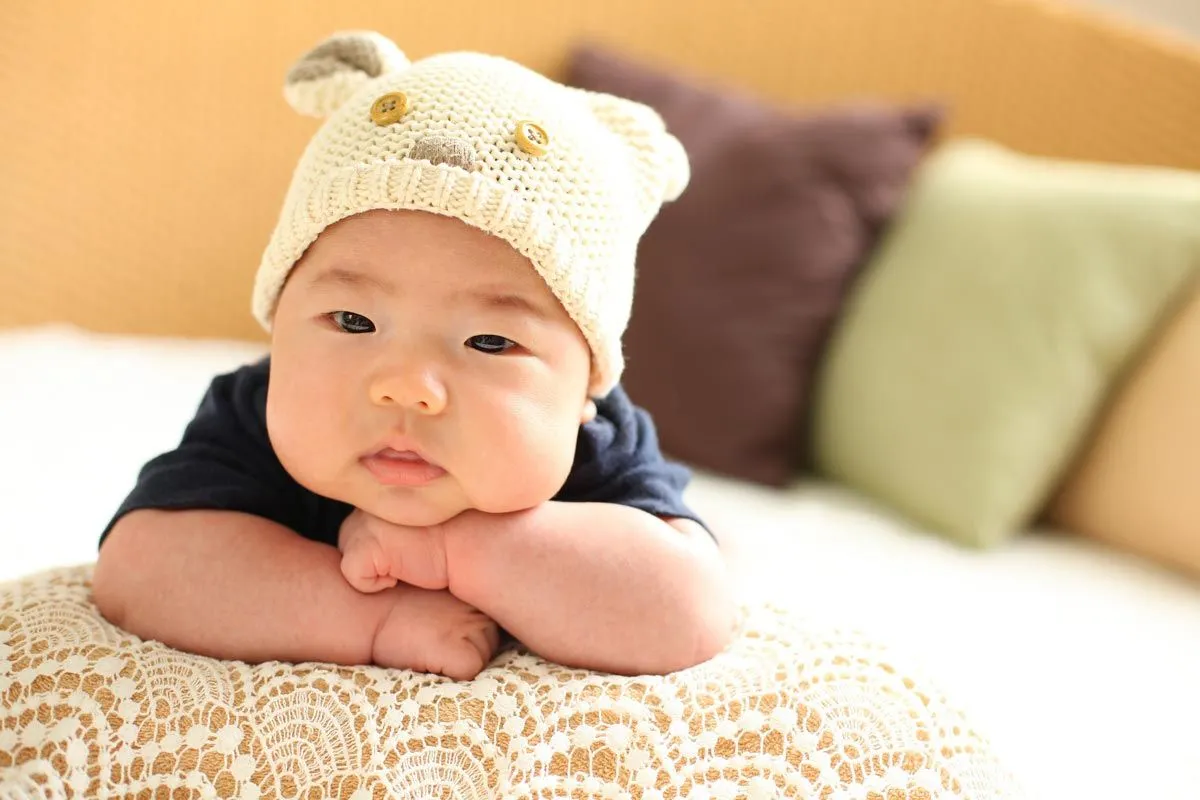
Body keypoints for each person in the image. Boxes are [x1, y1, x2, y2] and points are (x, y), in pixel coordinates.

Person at [92, 30, 736, 681]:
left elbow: (689, 611)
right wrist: (373, 617)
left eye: (489, 342)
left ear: (583, 393)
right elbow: (139, 567)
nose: (406, 388)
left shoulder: (600, 443)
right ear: (278, 329)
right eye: (353, 320)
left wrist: (454, 551)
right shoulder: (254, 412)